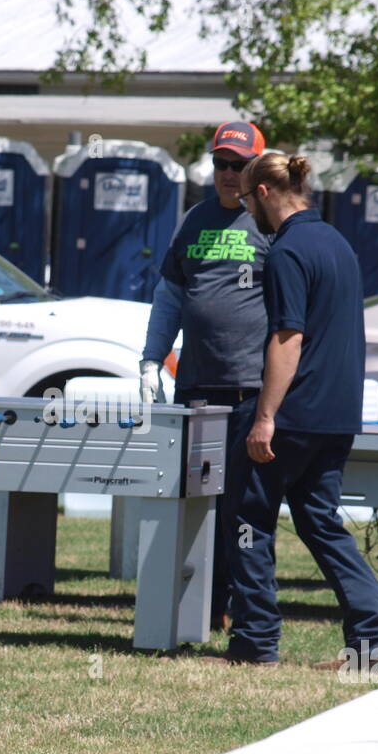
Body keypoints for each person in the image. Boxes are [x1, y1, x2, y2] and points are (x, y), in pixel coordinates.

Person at [221, 151, 378, 668]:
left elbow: (288, 337)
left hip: (294, 414)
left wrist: (265, 416)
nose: (247, 206)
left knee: (247, 519)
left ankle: (254, 642)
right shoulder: (338, 244)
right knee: (320, 522)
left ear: (265, 194)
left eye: (248, 196)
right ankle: (372, 644)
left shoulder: (287, 251)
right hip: (338, 414)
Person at [140, 121, 271, 630]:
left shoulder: (269, 225)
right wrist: (152, 359)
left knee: (243, 508)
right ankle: (201, 606)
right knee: (198, 503)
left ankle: (244, 612)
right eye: (221, 163)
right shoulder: (194, 220)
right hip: (195, 386)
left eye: (239, 165)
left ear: (257, 169)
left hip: (248, 391)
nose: (229, 174)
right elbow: (170, 296)